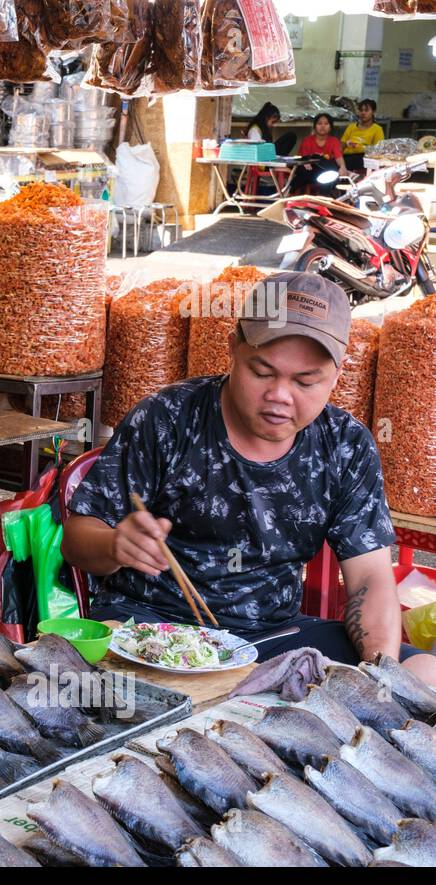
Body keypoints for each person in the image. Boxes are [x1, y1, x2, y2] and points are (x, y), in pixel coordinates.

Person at [61, 272, 436, 685]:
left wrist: (378, 674)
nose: (279, 394)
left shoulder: (345, 445)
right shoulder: (166, 418)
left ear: (336, 374)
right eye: (262, 372)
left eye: (305, 381)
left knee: (424, 673)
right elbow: (78, 539)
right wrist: (116, 544)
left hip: (273, 637)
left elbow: (370, 578)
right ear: (233, 350)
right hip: (154, 630)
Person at [291, 113, 349, 195]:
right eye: (319, 123)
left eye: (326, 124)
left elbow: (338, 157)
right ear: (315, 126)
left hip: (325, 172)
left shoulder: (334, 141)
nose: (322, 126)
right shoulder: (307, 140)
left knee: (330, 168)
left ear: (330, 127)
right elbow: (303, 158)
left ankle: (323, 197)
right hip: (310, 172)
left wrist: (343, 166)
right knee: (307, 167)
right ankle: (288, 191)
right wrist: (306, 162)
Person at [342, 99, 385, 173]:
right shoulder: (351, 127)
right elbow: (341, 146)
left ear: (373, 112)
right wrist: (346, 144)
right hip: (347, 157)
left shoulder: (377, 129)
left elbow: (379, 151)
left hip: (364, 158)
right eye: (361, 110)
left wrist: (362, 148)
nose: (363, 113)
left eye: (366, 110)